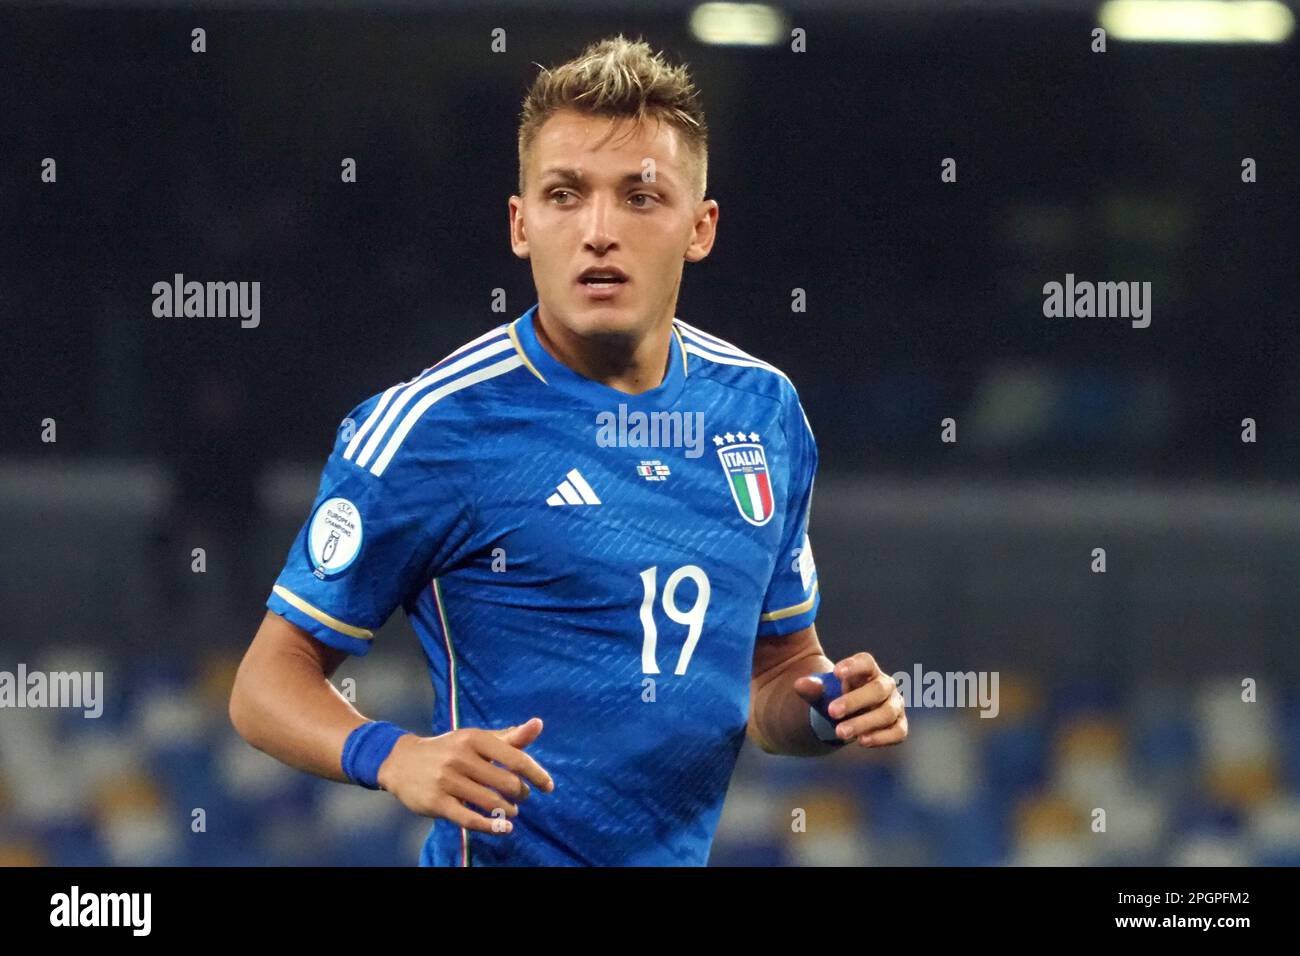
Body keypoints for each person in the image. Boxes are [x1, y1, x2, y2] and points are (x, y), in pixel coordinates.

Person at [229, 34, 907, 866]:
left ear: (700, 228)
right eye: (564, 194)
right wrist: (394, 756)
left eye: (640, 198)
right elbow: (266, 684)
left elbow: (775, 678)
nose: (597, 232)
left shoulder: (762, 413)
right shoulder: (436, 428)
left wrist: (826, 708)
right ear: (521, 224)